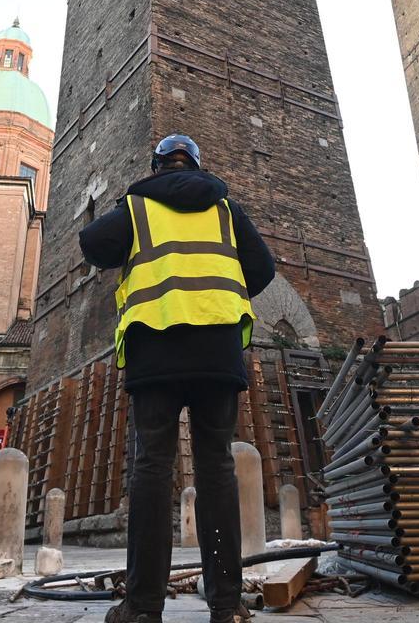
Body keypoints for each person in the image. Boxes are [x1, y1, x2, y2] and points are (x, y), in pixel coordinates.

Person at [80, 134, 275, 623]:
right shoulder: (226, 210)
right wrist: (219, 295)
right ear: (197, 164)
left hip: (156, 352)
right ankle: (227, 607)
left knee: (152, 468)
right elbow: (263, 268)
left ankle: (143, 608)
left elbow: (93, 246)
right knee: (216, 471)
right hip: (217, 353)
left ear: (158, 165)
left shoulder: (138, 205)